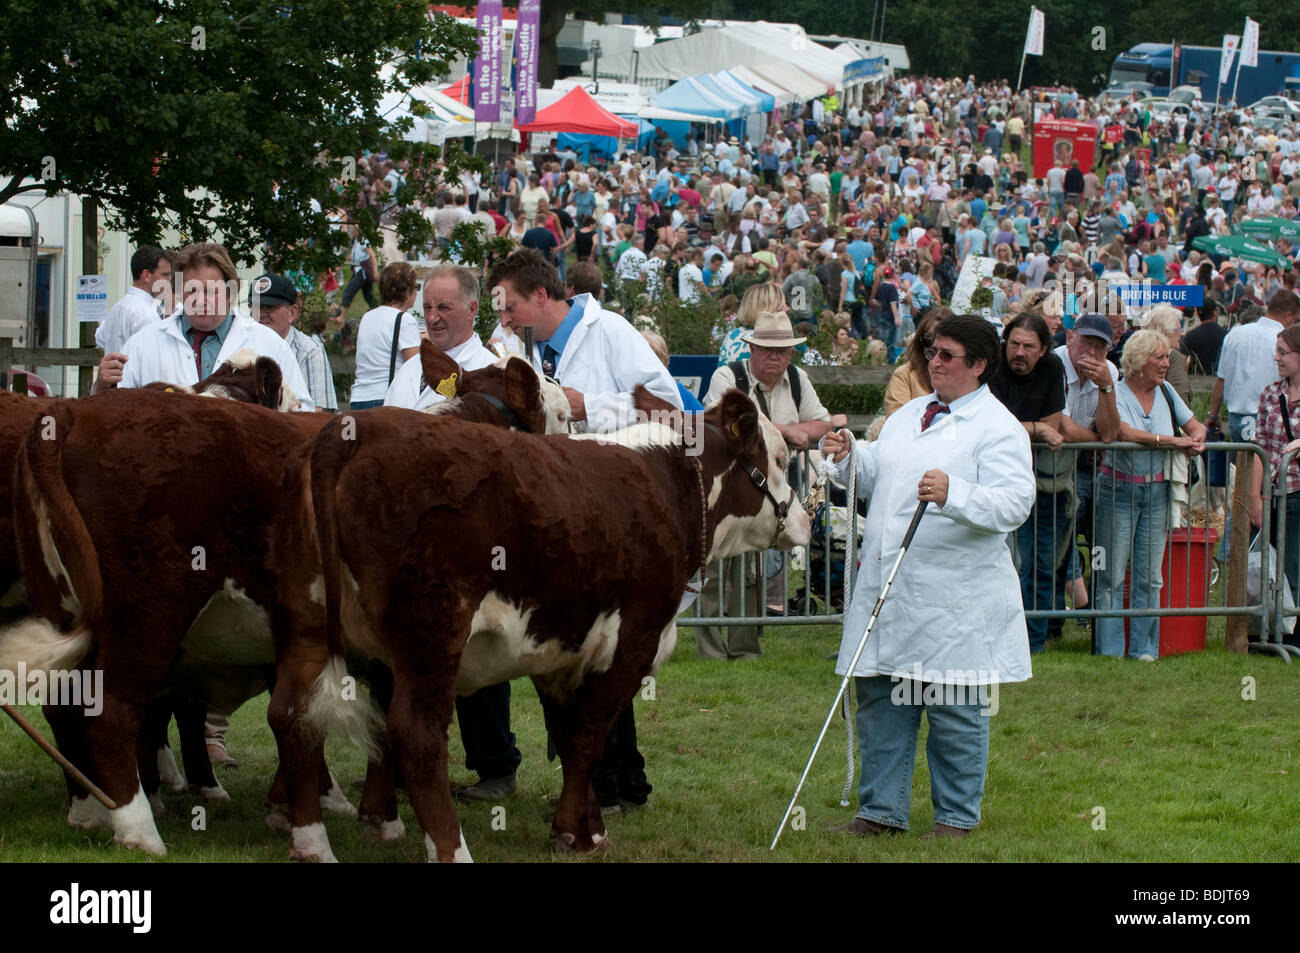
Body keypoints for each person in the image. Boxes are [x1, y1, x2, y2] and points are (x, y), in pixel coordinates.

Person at [823, 314, 1034, 838]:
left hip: (955, 599)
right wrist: (850, 457)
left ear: (979, 365)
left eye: (947, 355)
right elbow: (878, 473)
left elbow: (1015, 502)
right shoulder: (910, 414)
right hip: (889, 591)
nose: (934, 362)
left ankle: (956, 819)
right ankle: (880, 812)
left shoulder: (998, 427)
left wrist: (955, 493)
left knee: (955, 711)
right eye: (931, 351)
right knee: (881, 703)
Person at [699, 310, 833, 660]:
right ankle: (711, 651)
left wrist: (805, 432)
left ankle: (746, 649)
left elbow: (823, 423)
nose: (776, 357)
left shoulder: (798, 379)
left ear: (792, 353)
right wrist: (787, 432)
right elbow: (719, 425)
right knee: (713, 570)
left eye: (783, 351)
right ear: (752, 350)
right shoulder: (727, 377)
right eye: (768, 350)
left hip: (768, 497)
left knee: (753, 571)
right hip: (724, 493)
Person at [1094, 329, 1207, 659]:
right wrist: (1173, 441)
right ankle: (1110, 652)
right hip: (1117, 489)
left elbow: (1194, 425)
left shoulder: (1168, 390)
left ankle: (1145, 651)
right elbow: (1122, 432)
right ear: (1141, 362)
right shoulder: (1115, 391)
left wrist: (1196, 438)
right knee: (1110, 574)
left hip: (1157, 490)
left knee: (1150, 577)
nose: (1166, 362)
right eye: (1160, 357)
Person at [96, 242, 313, 408]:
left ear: (231, 292)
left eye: (211, 291)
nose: (200, 300)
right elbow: (113, 412)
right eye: (192, 290)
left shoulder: (269, 344)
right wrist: (102, 385)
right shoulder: (143, 344)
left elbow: (302, 412)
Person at [489, 248, 681, 433]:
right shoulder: (517, 346)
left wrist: (589, 407)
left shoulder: (611, 330)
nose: (504, 321)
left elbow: (668, 404)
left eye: (510, 308)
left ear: (540, 295)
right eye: (500, 312)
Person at [988, 313, 1068, 654]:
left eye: (1028, 347)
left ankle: (1033, 641)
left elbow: (1054, 423)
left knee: (1043, 563)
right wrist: (1034, 429)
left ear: (1044, 349)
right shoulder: (991, 366)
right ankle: (1003, 637)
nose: (1018, 352)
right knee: (1009, 561)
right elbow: (989, 425)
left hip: (1041, 481)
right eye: (1014, 344)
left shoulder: (1052, 369)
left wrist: (1031, 427)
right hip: (994, 480)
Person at [1052, 314, 1121, 631]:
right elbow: (1061, 427)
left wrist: (1106, 388)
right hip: (1054, 468)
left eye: (1100, 347)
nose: (1092, 354)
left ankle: (1093, 614)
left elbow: (1110, 429)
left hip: (1092, 468)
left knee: (1099, 544)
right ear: (1069, 338)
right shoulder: (1054, 365)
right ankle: (1056, 618)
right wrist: (1099, 441)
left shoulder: (1111, 374)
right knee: (1057, 544)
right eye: (1087, 343)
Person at [1248, 323, 1300, 648]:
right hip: (1276, 492)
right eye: (1276, 351)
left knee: (1294, 564)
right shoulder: (1270, 393)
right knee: (1271, 566)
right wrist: (1255, 496)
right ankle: (1271, 630)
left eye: (1283, 352)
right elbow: (1260, 447)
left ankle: (1293, 633)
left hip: (1297, 492)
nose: (1276, 357)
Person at [250, 273, 338, 412]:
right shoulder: (242, 345)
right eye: (255, 306)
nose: (260, 313)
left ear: (292, 313)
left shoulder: (309, 351)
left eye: (269, 306)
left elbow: (318, 412)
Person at [348, 262, 421, 409]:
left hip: (359, 398)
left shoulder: (367, 317)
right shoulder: (404, 320)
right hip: (387, 399)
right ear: (407, 292)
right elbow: (415, 367)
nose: (417, 292)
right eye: (416, 287)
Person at [95, 246, 173, 355]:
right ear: (146, 275)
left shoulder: (118, 307)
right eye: (165, 275)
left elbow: (100, 338)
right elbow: (153, 357)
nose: (170, 280)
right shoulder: (147, 314)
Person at [883, 308, 945, 416]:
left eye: (943, 339)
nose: (934, 345)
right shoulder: (904, 375)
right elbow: (897, 421)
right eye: (928, 338)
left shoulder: (964, 376)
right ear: (919, 340)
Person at [717, 282, 784, 368]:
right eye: (781, 306)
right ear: (769, 310)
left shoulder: (734, 334)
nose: (787, 309)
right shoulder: (764, 340)